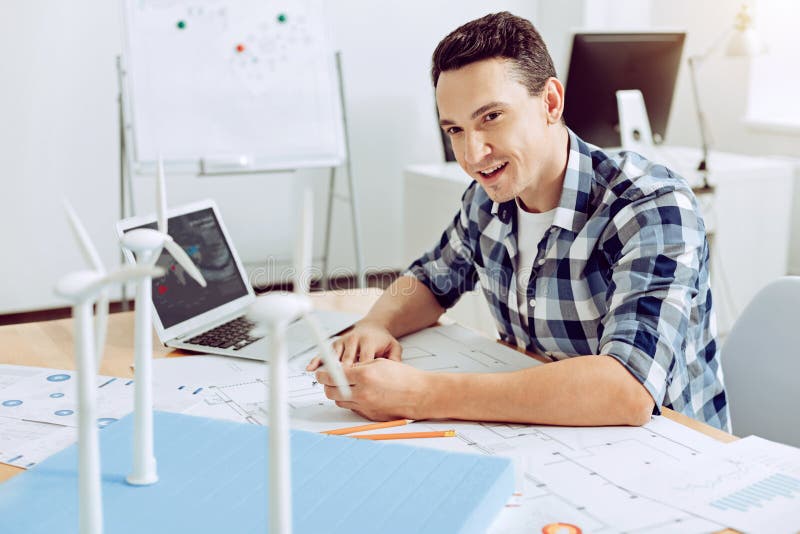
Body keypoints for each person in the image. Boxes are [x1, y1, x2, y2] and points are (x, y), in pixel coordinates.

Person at [308, 11, 729, 430]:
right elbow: (430, 279)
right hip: (546, 433)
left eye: (491, 117)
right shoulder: (488, 199)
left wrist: (421, 395)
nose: (472, 155)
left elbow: (627, 390)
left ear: (550, 102)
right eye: (455, 130)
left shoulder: (649, 206)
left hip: (670, 451)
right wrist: (376, 323)